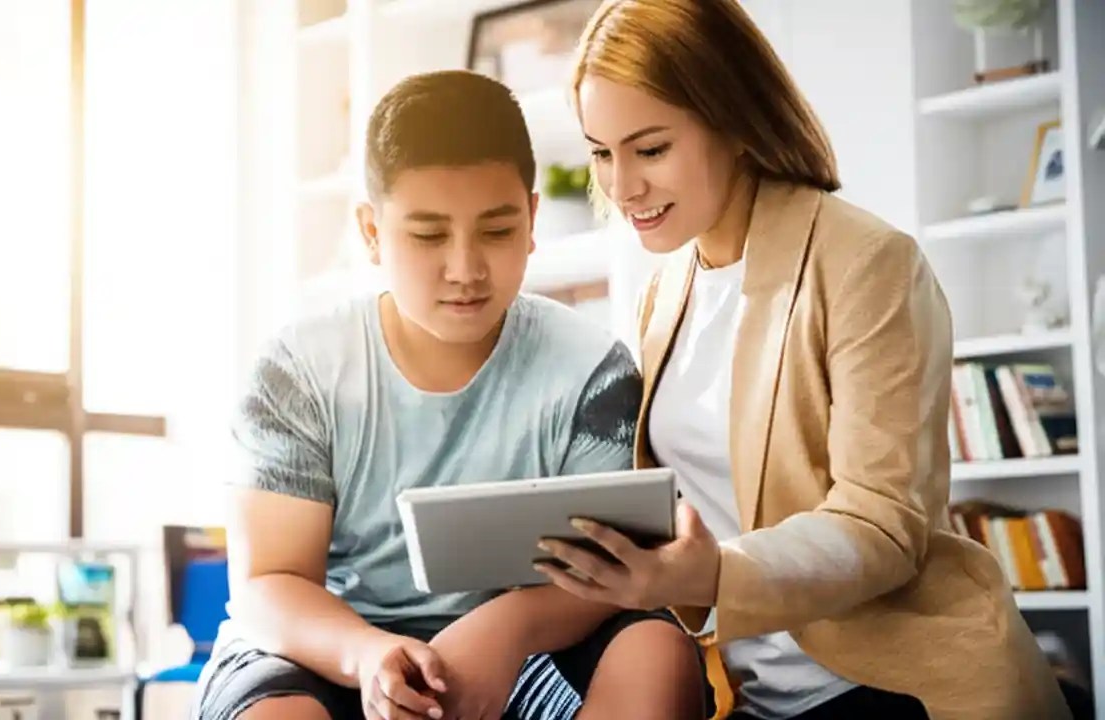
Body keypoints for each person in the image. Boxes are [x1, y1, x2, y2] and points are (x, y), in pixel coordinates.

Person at [531, 1, 1073, 719]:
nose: (621, 185)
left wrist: (719, 571)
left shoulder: (865, 262)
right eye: (602, 152)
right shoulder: (665, 296)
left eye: (650, 148)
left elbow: (883, 523)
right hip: (755, 696)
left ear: (731, 119)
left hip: (889, 686)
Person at [191, 69, 704, 720]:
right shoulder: (300, 371)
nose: (465, 269)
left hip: (528, 647)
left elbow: (620, 567)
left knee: (655, 655)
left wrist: (509, 627)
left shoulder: (591, 369)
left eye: (495, 230)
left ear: (532, 219)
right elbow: (269, 583)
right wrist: (371, 656)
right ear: (372, 232)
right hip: (330, 648)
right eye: (429, 235)